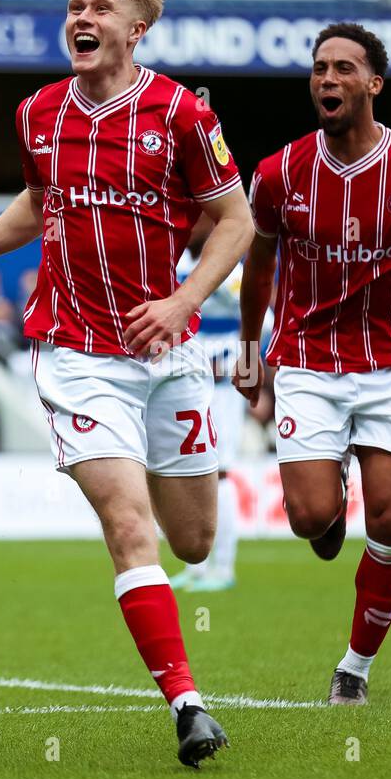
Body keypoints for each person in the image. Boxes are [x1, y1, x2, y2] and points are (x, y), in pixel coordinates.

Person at [0, 0, 252, 767]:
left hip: (165, 348)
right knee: (129, 528)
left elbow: (236, 222)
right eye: (75, 5)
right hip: (75, 351)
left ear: (136, 28)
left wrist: (182, 302)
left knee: (195, 542)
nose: (82, 17)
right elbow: (40, 202)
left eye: (100, 7)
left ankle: (185, 671)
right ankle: (188, 705)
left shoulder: (181, 116)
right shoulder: (37, 113)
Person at [235, 22, 391, 706]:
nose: (327, 80)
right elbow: (258, 267)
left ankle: (356, 668)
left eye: (344, 68)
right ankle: (329, 506)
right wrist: (251, 350)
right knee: (311, 518)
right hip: (309, 363)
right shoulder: (279, 172)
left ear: (374, 82)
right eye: (319, 69)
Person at [169, 223, 247, 592]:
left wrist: (242, 365)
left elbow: (257, 317)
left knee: (222, 471)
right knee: (185, 471)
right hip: (187, 380)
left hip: (223, 385)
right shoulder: (181, 262)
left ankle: (224, 568)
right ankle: (197, 569)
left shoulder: (229, 268)